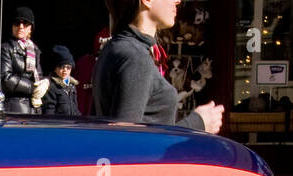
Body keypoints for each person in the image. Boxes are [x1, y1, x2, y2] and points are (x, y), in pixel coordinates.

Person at [93, 0, 224, 133]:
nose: (178, 1)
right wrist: (197, 124)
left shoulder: (116, 48)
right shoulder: (135, 56)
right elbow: (126, 138)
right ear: (147, 1)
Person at [0, 7, 45, 115]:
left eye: (25, 24)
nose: (21, 27)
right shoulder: (5, 48)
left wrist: (44, 84)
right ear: (12, 26)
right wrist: (32, 88)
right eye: (16, 23)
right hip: (14, 108)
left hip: (34, 108)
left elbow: (39, 76)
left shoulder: (35, 49)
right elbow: (5, 79)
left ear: (31, 28)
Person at [42, 45, 80, 116]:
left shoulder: (72, 86)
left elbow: (75, 108)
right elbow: (49, 110)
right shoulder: (51, 86)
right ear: (55, 68)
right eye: (61, 67)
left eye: (68, 67)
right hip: (59, 124)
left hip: (72, 123)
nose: (65, 70)